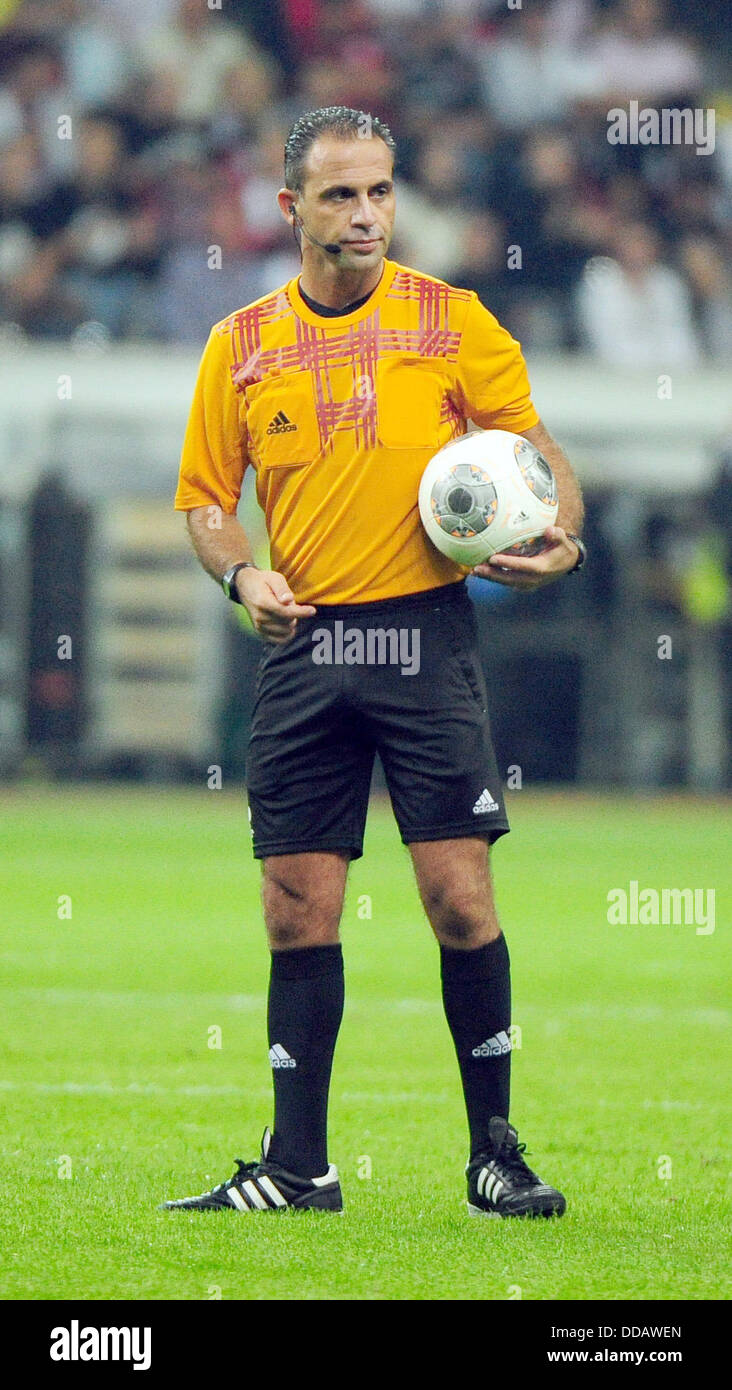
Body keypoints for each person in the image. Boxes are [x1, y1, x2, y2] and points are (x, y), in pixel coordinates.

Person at [164, 106, 585, 1219]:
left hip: (423, 635)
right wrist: (239, 575)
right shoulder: (241, 344)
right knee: (297, 908)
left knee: (457, 897)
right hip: (305, 642)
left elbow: (537, 456)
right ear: (289, 203)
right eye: (342, 194)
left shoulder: (454, 322)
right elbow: (206, 498)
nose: (367, 214)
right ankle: (298, 1166)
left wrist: (565, 537)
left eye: (382, 192)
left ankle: (495, 1152)